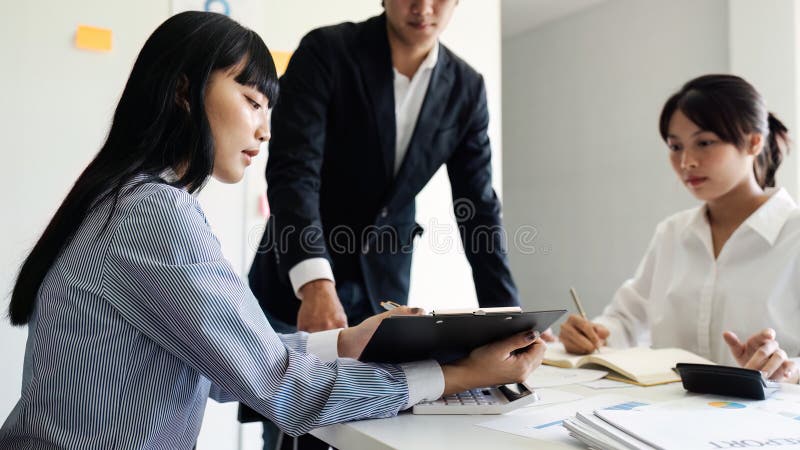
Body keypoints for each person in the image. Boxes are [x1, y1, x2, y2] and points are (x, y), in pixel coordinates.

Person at [0, 12, 547, 449]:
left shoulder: (125, 196)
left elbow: (222, 365)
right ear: (185, 93)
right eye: (253, 102)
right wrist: (455, 376)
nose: (265, 129)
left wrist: (348, 341)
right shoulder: (156, 216)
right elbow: (283, 387)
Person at [559, 74, 799, 384]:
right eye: (675, 146)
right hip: (666, 414)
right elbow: (625, 319)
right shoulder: (672, 233)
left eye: (704, 143)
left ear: (753, 142)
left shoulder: (793, 236)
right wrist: (595, 334)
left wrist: (785, 367)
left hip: (769, 422)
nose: (686, 162)